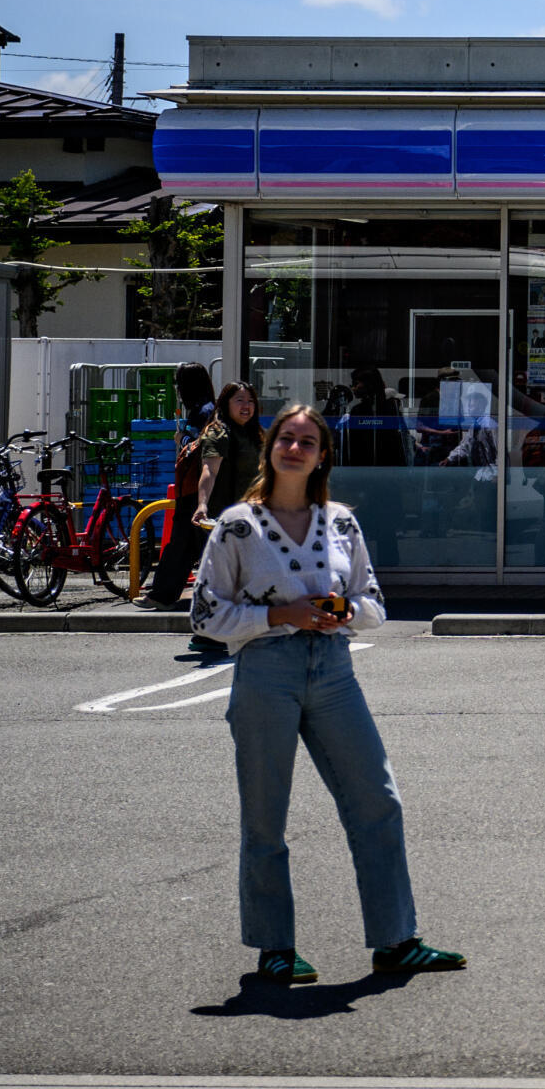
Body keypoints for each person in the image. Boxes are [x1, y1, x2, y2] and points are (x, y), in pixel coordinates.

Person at [189, 402, 465, 986]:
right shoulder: (238, 524)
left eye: (307, 442)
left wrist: (343, 612)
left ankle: (396, 939)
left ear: (322, 456)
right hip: (267, 668)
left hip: (335, 670)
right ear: (270, 450)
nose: (295, 448)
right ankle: (275, 948)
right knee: (265, 817)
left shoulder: (341, 521)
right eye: (285, 439)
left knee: (377, 800)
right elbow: (206, 614)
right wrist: (280, 614)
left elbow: (374, 604)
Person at [188, 380, 266, 655]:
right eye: (239, 401)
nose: (246, 407)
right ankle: (210, 635)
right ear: (225, 404)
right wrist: (202, 505)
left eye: (250, 401)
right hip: (226, 516)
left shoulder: (253, 433)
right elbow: (208, 471)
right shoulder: (218, 433)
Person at [133, 362, 217, 613]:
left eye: (180, 383)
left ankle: (163, 595)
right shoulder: (205, 408)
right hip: (194, 487)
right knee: (187, 545)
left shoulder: (203, 411)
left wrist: (181, 439)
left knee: (181, 543)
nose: (177, 388)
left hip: (193, 487)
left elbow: (197, 443)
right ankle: (165, 594)